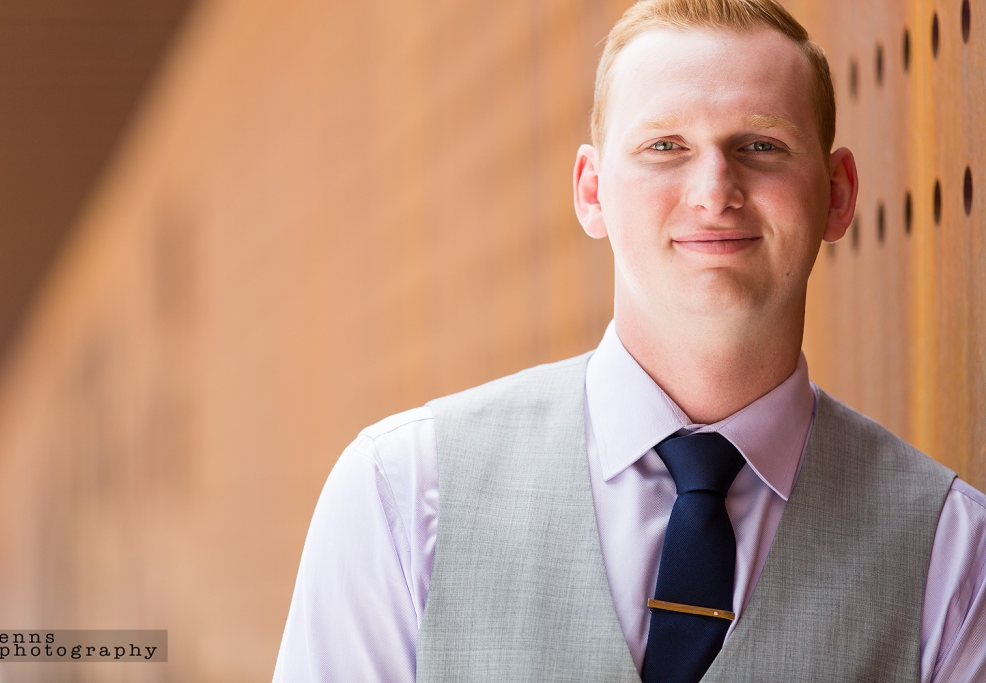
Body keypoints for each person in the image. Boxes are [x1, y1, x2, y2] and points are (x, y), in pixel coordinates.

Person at [272, 1, 986, 681]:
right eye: (665, 146)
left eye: (761, 146)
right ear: (591, 192)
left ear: (837, 194)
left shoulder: (950, 555)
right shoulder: (405, 495)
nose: (714, 190)